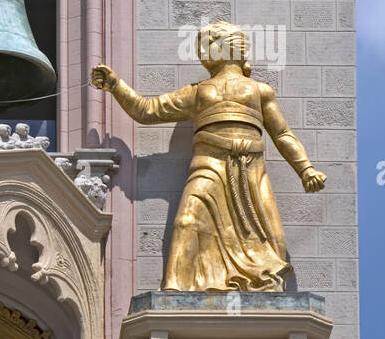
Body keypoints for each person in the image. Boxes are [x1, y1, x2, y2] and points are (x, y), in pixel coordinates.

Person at [91, 21, 326, 291]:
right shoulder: (198, 92)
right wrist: (116, 85)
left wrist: (305, 169)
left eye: (208, 42)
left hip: (251, 169)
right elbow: (148, 110)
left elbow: (283, 134)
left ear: (229, 46)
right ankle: (175, 289)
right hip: (208, 165)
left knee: (270, 236)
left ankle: (266, 283)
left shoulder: (259, 91)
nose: (201, 50)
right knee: (187, 221)